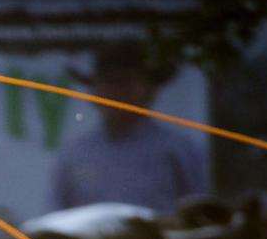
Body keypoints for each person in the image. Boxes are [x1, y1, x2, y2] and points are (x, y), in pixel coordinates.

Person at [46, 40, 208, 215]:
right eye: (107, 84)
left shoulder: (177, 150)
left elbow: (199, 217)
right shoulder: (75, 154)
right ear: (94, 92)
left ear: (148, 90)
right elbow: (58, 216)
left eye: (124, 84)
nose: (114, 94)